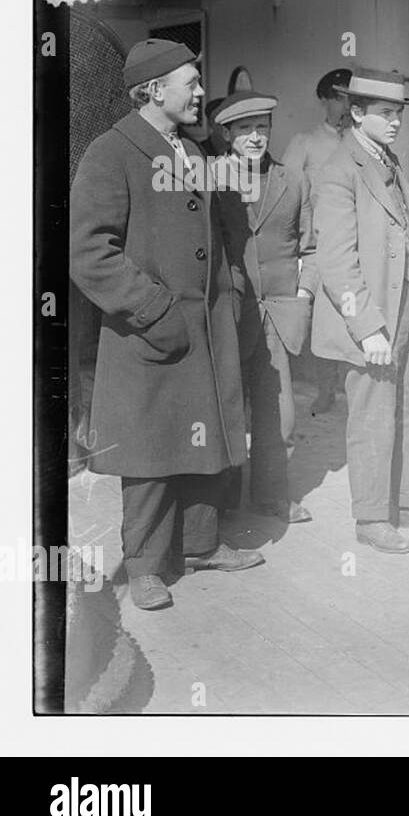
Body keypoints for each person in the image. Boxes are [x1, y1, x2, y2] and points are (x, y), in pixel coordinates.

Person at [70, 39, 262, 611]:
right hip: (148, 329)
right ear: (153, 91)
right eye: (191, 83)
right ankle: (145, 565)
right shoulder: (112, 152)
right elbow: (88, 251)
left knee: (201, 436)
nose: (201, 92)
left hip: (204, 327)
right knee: (152, 449)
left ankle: (200, 545)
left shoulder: (194, 151)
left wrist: (227, 305)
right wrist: (152, 308)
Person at [311, 67, 409, 554]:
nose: (395, 121)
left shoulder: (389, 161)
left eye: (399, 113)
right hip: (375, 312)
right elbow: (335, 260)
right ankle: (372, 516)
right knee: (373, 416)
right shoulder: (339, 170)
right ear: (357, 113)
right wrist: (366, 327)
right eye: (385, 113)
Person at [215, 91, 317, 525]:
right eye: (244, 129)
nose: (255, 137)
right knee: (224, 407)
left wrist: (304, 293)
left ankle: (271, 495)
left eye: (262, 127)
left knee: (279, 411)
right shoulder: (209, 180)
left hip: (277, 312)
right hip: (227, 311)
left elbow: (311, 247)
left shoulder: (293, 179)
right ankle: (221, 503)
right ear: (226, 134)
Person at [282, 67, 352, 414]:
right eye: (338, 97)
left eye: (350, 97)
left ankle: (353, 388)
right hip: (320, 247)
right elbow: (288, 196)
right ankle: (326, 389)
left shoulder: (361, 143)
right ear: (324, 100)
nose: (345, 104)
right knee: (325, 321)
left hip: (356, 245)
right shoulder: (305, 143)